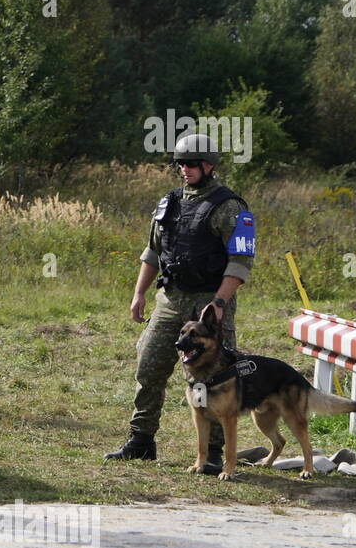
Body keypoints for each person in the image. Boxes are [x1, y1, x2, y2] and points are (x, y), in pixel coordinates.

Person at [105, 132, 255, 473]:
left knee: (216, 378)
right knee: (149, 366)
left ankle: (214, 453)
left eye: (190, 164)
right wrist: (139, 293)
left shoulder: (229, 206)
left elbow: (241, 260)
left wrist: (219, 301)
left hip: (209, 305)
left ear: (208, 166)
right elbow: (153, 252)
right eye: (179, 164)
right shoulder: (169, 202)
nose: (184, 169)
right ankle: (141, 441)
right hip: (170, 300)